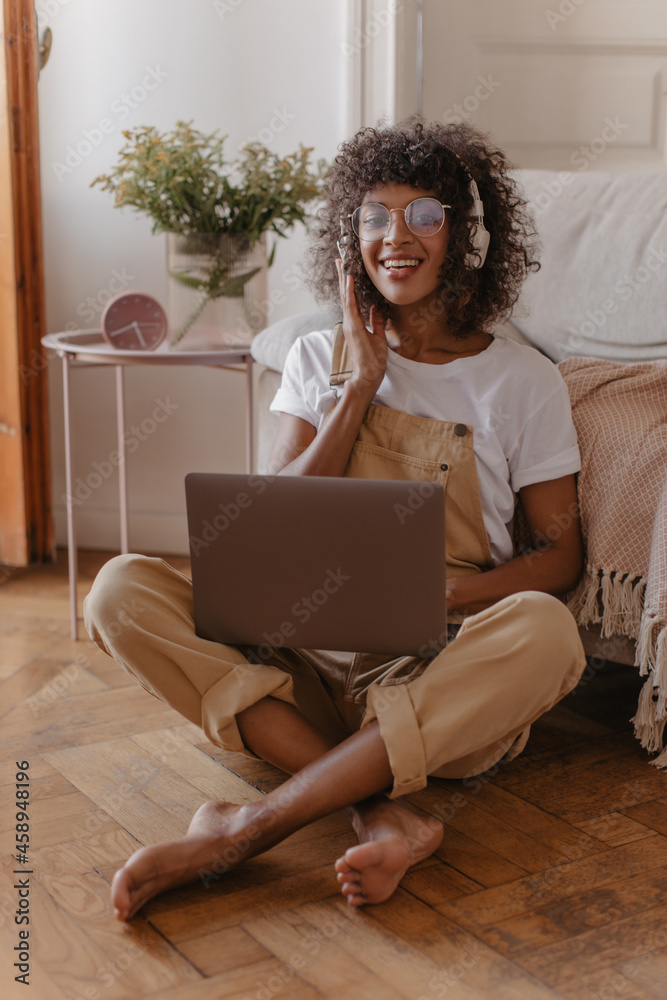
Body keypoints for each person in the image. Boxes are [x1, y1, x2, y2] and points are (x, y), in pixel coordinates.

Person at [84, 117, 587, 922]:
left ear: (462, 235)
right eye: (373, 216)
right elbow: (270, 522)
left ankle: (249, 827)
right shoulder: (320, 359)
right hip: (305, 660)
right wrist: (355, 389)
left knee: (546, 631)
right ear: (348, 235)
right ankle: (378, 809)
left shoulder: (519, 381)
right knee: (117, 588)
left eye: (424, 214)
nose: (396, 237)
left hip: (433, 671)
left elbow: (558, 562)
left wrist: (441, 599)